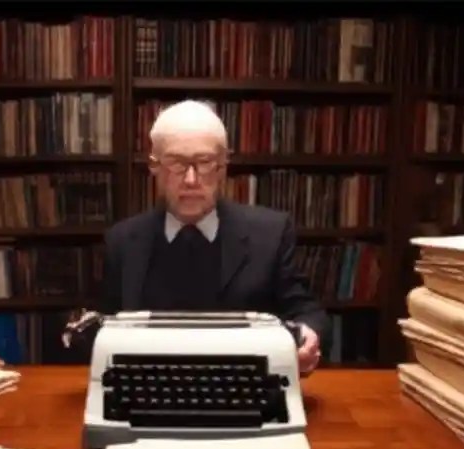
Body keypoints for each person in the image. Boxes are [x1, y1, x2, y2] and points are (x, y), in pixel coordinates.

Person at [98, 99, 329, 374]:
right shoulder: (121, 241)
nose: (191, 180)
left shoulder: (272, 233)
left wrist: (307, 336)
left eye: (205, 162)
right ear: (154, 167)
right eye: (176, 163)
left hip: (246, 382)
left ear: (223, 167)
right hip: (149, 381)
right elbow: (103, 327)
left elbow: (306, 311)